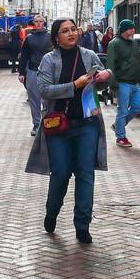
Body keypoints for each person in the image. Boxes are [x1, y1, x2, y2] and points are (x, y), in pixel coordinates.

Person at [25, 18, 112, 244]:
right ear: (56, 37)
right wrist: (74, 85)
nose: (71, 33)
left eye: (73, 29)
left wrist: (106, 77)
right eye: (65, 31)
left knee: (85, 173)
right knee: (61, 173)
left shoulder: (89, 56)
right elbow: (44, 90)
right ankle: (51, 213)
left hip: (87, 124)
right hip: (59, 126)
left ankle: (82, 225)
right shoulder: (49, 60)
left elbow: (100, 84)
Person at [105, 19, 140, 148]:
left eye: (134, 28)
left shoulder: (134, 43)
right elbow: (110, 64)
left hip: (135, 82)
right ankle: (121, 137)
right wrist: (112, 83)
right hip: (122, 83)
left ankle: (118, 126)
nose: (133, 31)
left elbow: (138, 62)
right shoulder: (114, 44)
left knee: (139, 107)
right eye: (131, 28)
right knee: (122, 111)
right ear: (124, 30)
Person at [19, 14, 52, 135]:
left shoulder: (50, 37)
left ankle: (48, 123)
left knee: (48, 99)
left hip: (48, 72)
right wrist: (22, 73)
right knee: (34, 99)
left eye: (41, 21)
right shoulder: (29, 38)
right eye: (36, 21)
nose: (38, 23)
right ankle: (37, 124)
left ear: (44, 23)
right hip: (33, 71)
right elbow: (24, 57)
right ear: (34, 23)